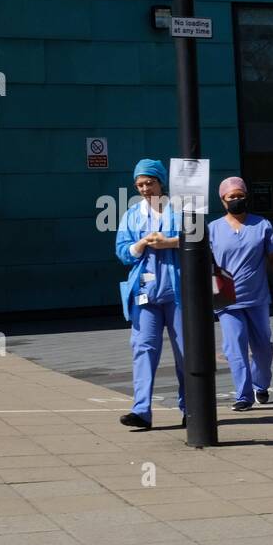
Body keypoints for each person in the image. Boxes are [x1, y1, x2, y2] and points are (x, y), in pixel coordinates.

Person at [114, 159, 185, 429]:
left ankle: (190, 408)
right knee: (143, 349)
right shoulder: (132, 215)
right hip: (145, 294)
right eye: (139, 184)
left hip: (176, 293)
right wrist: (141, 244)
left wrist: (170, 242)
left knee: (185, 352)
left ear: (161, 182)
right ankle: (141, 410)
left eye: (149, 183)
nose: (144, 188)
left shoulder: (179, 209)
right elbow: (122, 252)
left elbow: (199, 238)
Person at [209, 177, 273, 411]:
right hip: (226, 298)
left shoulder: (262, 225)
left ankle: (260, 383)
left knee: (263, 347)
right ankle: (243, 395)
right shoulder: (212, 229)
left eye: (239, 195)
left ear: (246, 196)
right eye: (230, 197)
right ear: (223, 200)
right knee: (235, 347)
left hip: (256, 297)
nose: (236, 200)